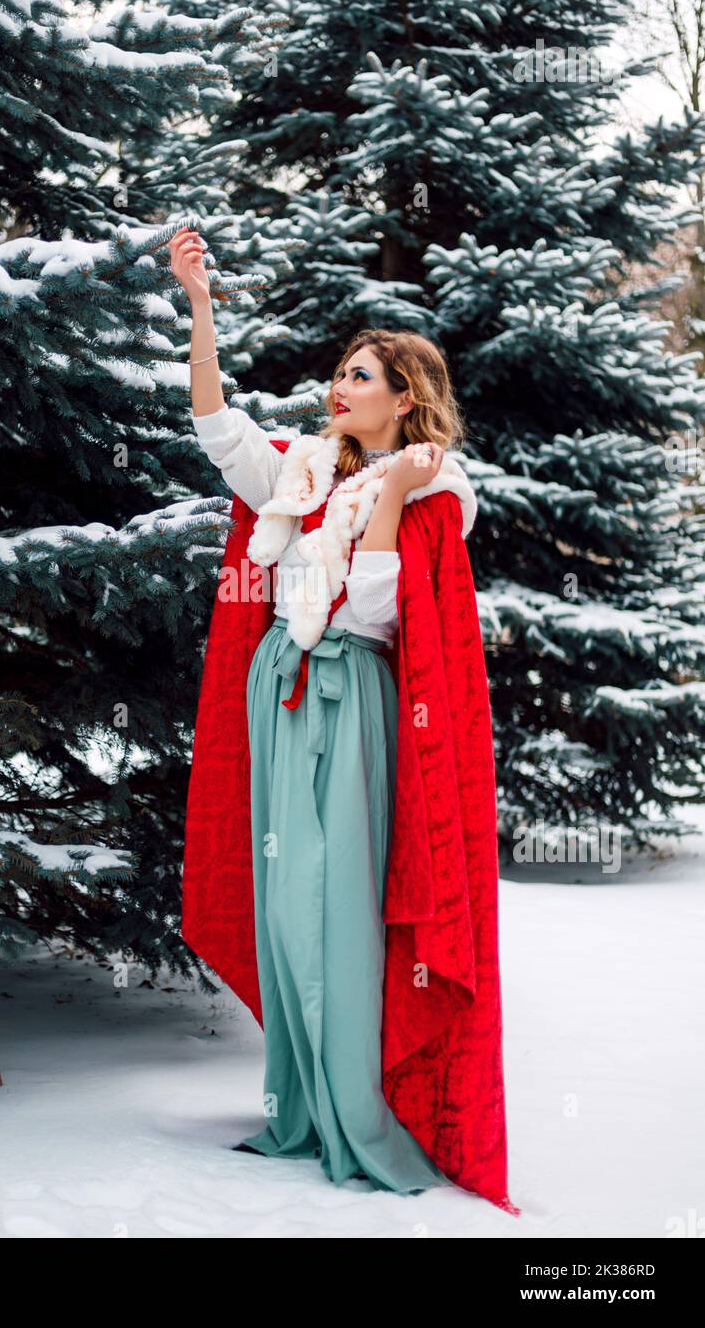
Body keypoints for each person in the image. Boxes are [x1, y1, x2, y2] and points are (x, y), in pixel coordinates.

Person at [173, 226, 519, 1216]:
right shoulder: (298, 469)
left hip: (355, 700)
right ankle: (297, 1103)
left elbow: (374, 608)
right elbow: (216, 425)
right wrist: (200, 304)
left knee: (339, 909)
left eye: (359, 375)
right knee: (285, 908)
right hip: (277, 692)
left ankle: (356, 1112)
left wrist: (391, 491)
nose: (339, 386)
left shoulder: (431, 489)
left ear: (401, 396)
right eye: (337, 371)